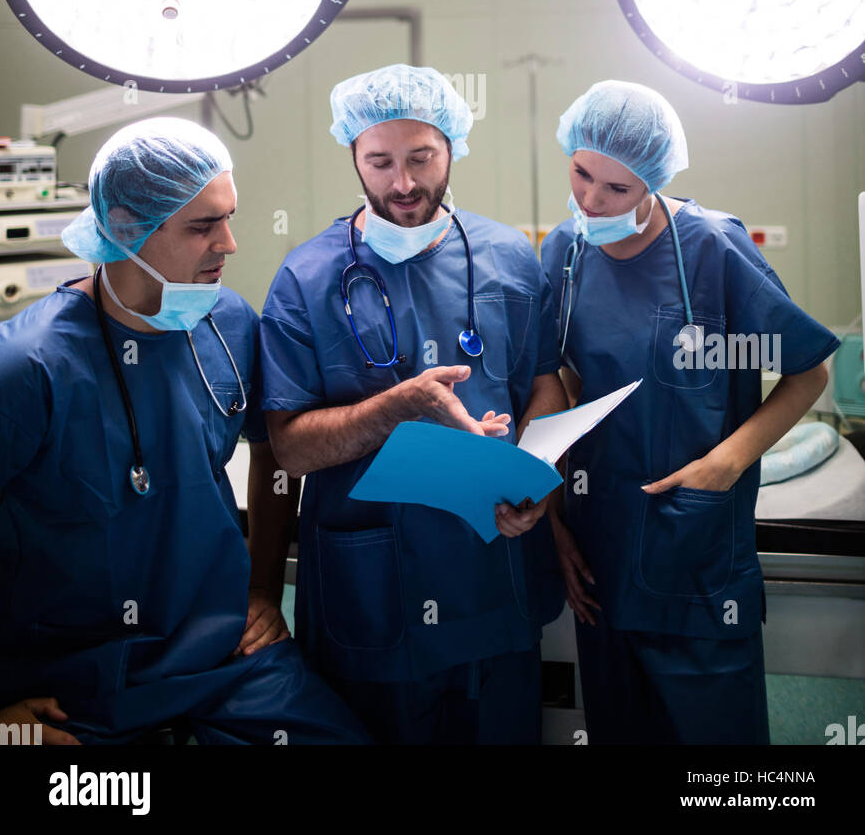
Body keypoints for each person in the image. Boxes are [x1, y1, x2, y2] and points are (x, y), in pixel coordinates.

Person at [0, 117, 369, 745]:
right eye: (201, 227)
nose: (228, 244)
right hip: (72, 683)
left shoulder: (228, 321)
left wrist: (261, 585)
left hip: (223, 656)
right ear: (123, 228)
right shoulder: (29, 366)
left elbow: (273, 451)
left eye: (228, 218)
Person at [260, 64, 567, 745]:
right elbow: (289, 447)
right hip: (374, 592)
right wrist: (394, 408)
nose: (402, 184)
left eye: (421, 157)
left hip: (493, 574)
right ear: (354, 157)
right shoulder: (305, 279)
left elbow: (544, 381)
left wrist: (536, 475)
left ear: (453, 145)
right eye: (380, 162)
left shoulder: (511, 258)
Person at [540, 79, 839, 746]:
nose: (590, 200)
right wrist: (553, 514)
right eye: (582, 173)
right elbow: (559, 377)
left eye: (616, 189)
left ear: (652, 179)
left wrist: (724, 464)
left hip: (697, 556)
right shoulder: (564, 252)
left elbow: (808, 368)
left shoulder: (712, 249)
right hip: (601, 547)